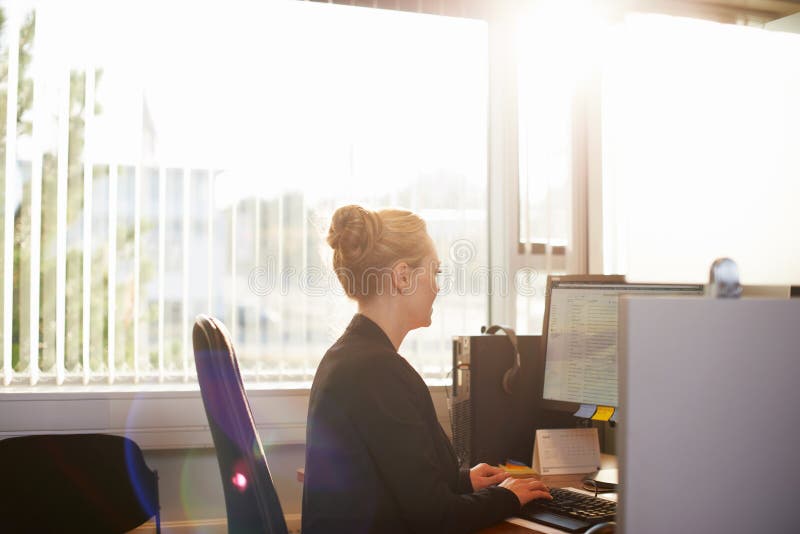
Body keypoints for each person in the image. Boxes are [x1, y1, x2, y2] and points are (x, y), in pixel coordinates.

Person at [301, 205, 552, 534]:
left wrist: (464, 481)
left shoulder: (351, 358)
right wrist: (506, 498)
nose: (437, 286)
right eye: (435, 272)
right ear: (402, 276)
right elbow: (436, 517)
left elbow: (400, 480)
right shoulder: (376, 372)